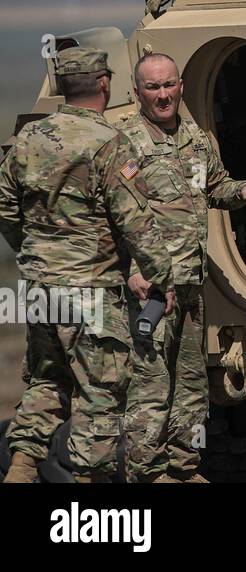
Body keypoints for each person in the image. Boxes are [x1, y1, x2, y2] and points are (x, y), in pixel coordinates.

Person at [0, 48, 172, 483]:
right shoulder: (110, 142)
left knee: (46, 380)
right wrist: (161, 278)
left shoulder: (27, 138)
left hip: (41, 286)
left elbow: (4, 206)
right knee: (100, 392)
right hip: (91, 291)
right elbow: (135, 221)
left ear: (60, 87)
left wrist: (33, 251)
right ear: (104, 84)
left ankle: (20, 469)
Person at [117, 52, 246, 483]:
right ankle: (148, 474)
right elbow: (111, 213)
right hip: (151, 290)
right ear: (137, 93)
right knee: (150, 387)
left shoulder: (194, 137)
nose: (163, 95)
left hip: (190, 285)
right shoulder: (125, 143)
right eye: (152, 88)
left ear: (181, 86)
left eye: (168, 85)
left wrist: (244, 191)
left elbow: (215, 185)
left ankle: (184, 468)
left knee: (191, 387)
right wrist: (131, 271)